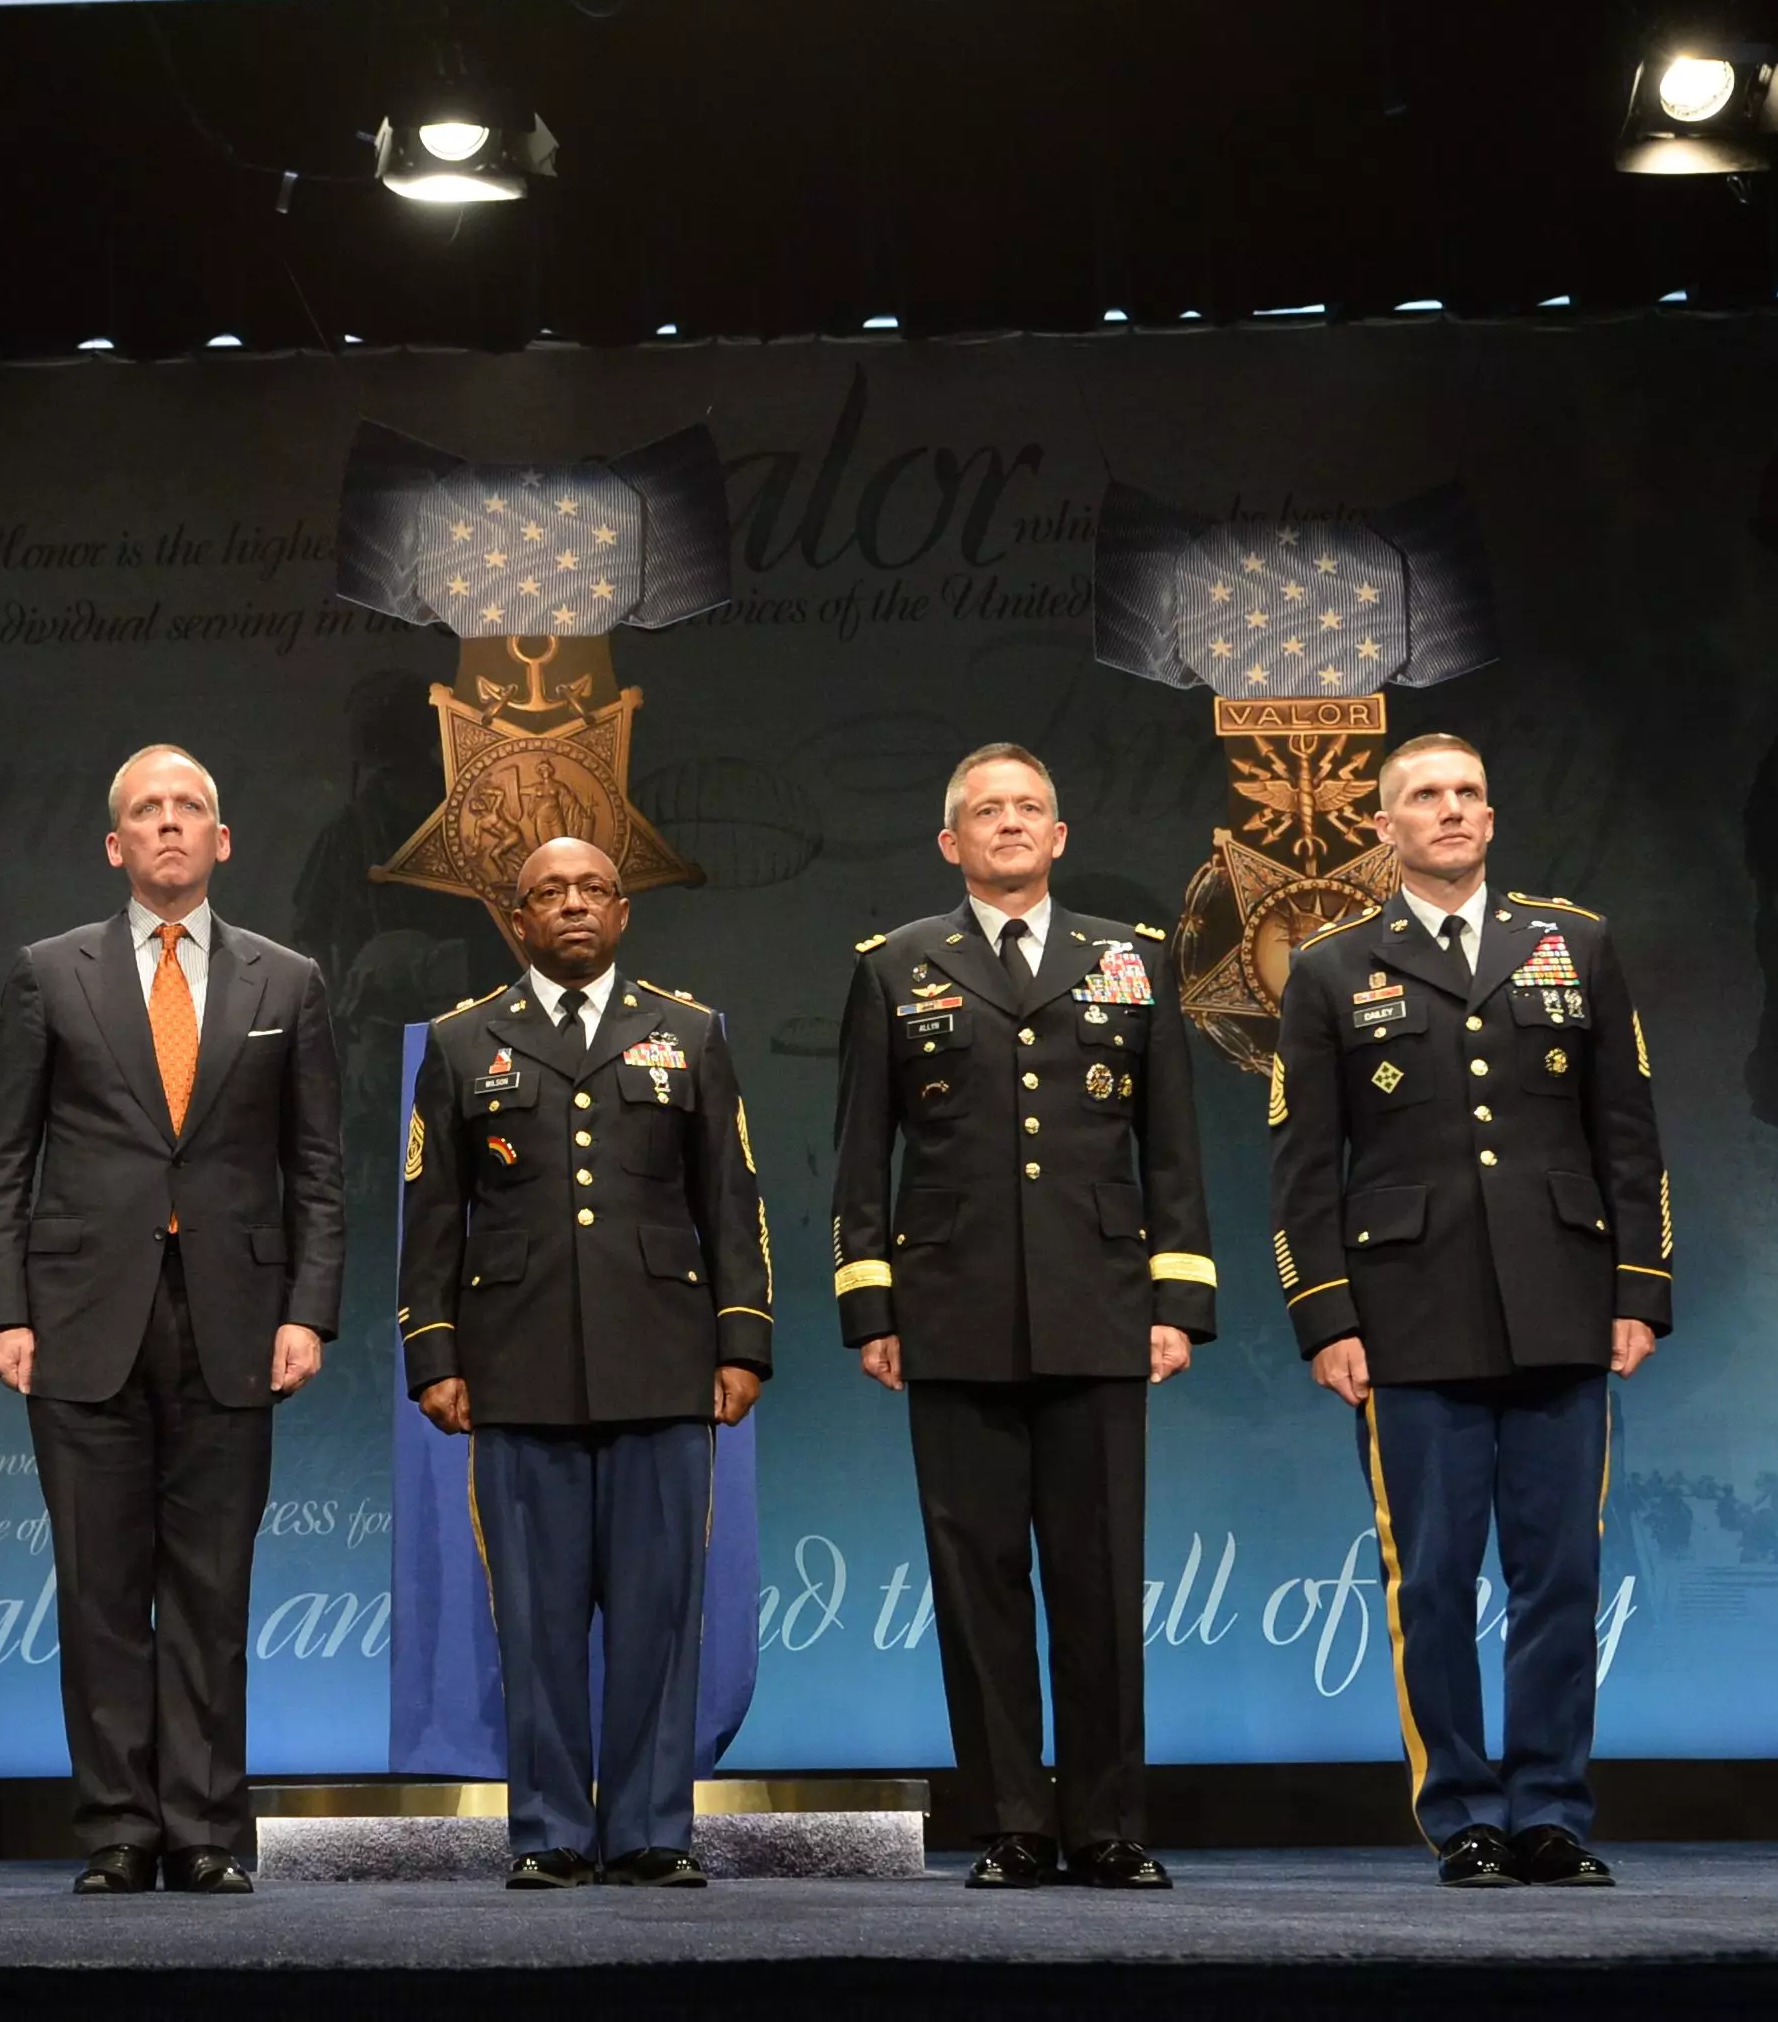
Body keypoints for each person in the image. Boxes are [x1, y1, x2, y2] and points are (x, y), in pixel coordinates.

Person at [1268, 733, 1671, 1890]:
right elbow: (1302, 1165)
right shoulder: (1332, 967)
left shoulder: (1574, 942)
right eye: (1421, 797)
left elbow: (1626, 1134)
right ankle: (1462, 1814)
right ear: (1380, 827)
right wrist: (1323, 1313)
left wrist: (1637, 1288)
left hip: (1560, 1296)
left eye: (1464, 794)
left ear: (1488, 818)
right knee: (1431, 1576)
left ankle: (1548, 1807)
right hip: (1406, 1314)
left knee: (1561, 1574)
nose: (1447, 810)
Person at [829, 743, 1211, 1893]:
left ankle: (1104, 1822)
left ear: (1058, 837)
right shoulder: (896, 965)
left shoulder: (1129, 962)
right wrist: (869, 1304)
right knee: (975, 1575)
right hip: (949, 1310)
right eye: (983, 811)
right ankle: (1009, 1819)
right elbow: (860, 1153)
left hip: (1099, 1308)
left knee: (1097, 1573)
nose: (1008, 823)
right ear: (950, 844)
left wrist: (1175, 1302)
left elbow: (1173, 1149)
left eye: (1027, 807)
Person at [0, 746, 343, 1896]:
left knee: (210, 1588)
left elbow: (317, 1168)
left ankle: (205, 1828)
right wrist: (1, 1310)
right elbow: (2, 1160)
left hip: (234, 1318)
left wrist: (307, 1311)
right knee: (96, 1585)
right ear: (114, 845)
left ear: (222, 841)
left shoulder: (288, 981)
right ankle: (118, 1829)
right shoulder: (48, 972)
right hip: (80, 1316)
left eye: (189, 809)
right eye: (146, 810)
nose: (169, 824)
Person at [398, 837, 771, 1890]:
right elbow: (432, 1216)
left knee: (658, 1610)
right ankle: (551, 1828)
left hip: (663, 1359)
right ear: (515, 919)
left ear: (621, 911)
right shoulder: (466, 1039)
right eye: (546, 891)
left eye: (591, 889)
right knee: (536, 1614)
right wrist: (433, 1351)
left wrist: (741, 1337)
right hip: (515, 1366)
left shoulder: (687, 1032)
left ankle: (652, 1826)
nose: (570, 904)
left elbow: (729, 1201)